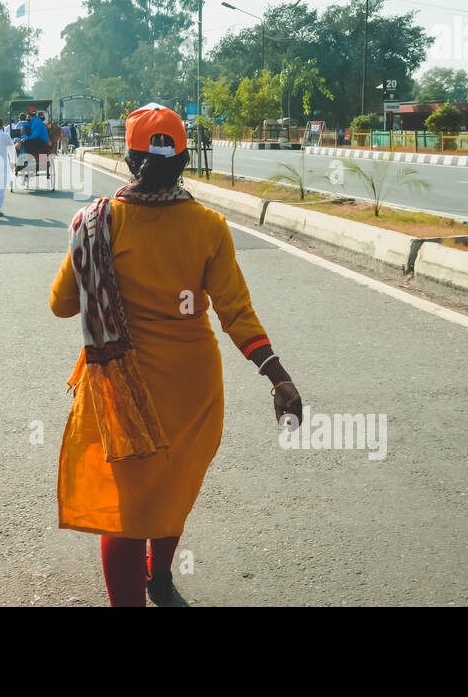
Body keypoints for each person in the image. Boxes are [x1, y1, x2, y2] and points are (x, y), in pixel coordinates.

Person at [48, 103, 302, 607]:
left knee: (127, 510)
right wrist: (279, 377)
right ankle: (159, 576)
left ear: (129, 159)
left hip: (122, 389)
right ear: (184, 160)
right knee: (171, 486)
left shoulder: (95, 224)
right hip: (193, 390)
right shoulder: (209, 226)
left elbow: (61, 306)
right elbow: (237, 314)